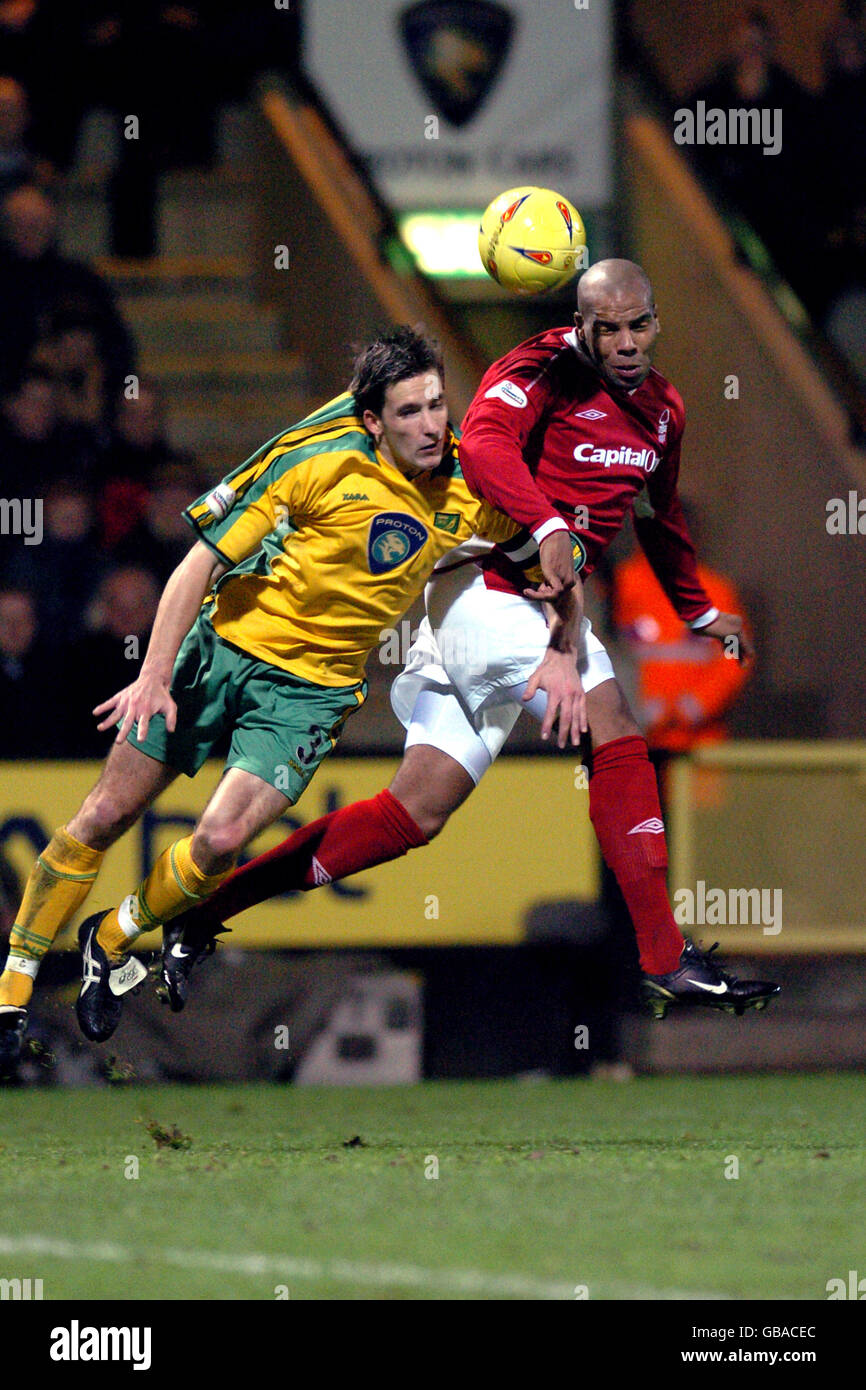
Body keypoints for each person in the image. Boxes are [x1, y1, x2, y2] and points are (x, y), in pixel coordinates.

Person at [160, 260, 780, 1023]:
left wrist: (696, 608)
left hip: (541, 601)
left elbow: (659, 513)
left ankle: (205, 913)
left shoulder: (662, 412)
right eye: (605, 327)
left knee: (413, 815)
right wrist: (552, 548)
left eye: (638, 325)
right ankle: (664, 958)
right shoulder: (535, 372)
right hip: (486, 588)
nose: (623, 342)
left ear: (656, 322)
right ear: (577, 326)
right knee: (614, 725)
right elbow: (483, 447)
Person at [0, 327, 531, 1072]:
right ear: (371, 419)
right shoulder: (313, 457)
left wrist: (564, 596)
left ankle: (111, 939)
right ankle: (13, 988)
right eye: (408, 412)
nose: (430, 425)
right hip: (221, 650)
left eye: (438, 405)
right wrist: (153, 674)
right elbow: (196, 565)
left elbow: (542, 540)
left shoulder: (474, 490)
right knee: (105, 813)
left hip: (310, 697)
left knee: (219, 842)